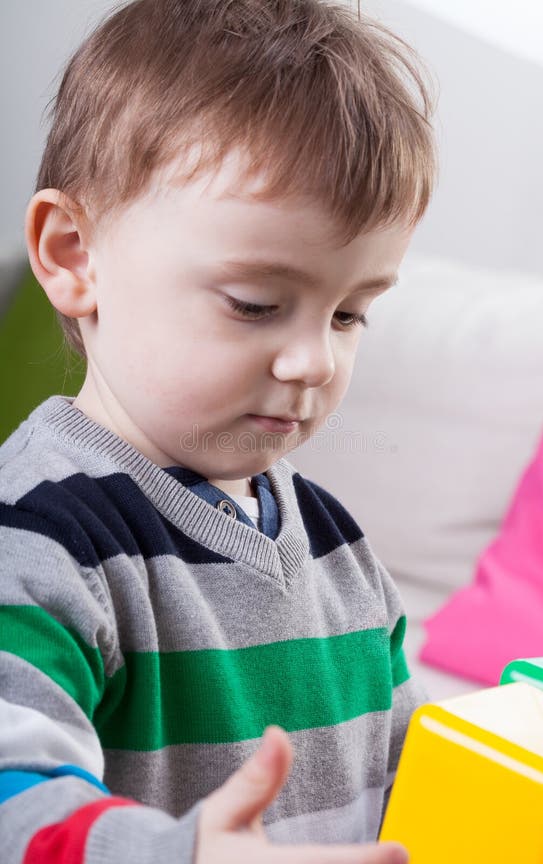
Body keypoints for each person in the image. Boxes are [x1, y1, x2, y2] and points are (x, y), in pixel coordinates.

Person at [0, 1, 436, 862]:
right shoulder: (39, 542)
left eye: (350, 314)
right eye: (256, 305)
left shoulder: (338, 550)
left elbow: (409, 780)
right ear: (73, 255)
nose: (313, 361)